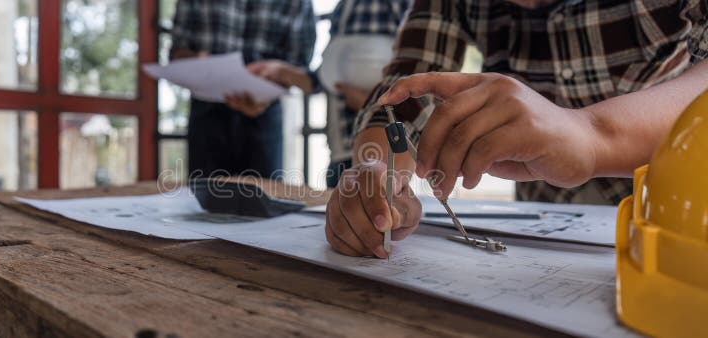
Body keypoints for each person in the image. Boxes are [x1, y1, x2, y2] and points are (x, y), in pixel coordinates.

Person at [325, 0, 708, 258]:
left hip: (682, 219)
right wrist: (376, 177)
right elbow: (406, 90)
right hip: (542, 234)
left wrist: (591, 135)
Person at [232, 0, 412, 188]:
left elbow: (418, 77)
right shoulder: (344, 7)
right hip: (340, 153)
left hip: (380, 155)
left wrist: (377, 106)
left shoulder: (396, 4)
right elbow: (328, 78)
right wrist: (281, 72)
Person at [170, 0, 316, 178]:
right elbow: (177, 51)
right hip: (206, 113)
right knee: (204, 198)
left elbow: (300, 65)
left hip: (265, 110)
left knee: (264, 198)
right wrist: (201, 61)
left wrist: (276, 75)